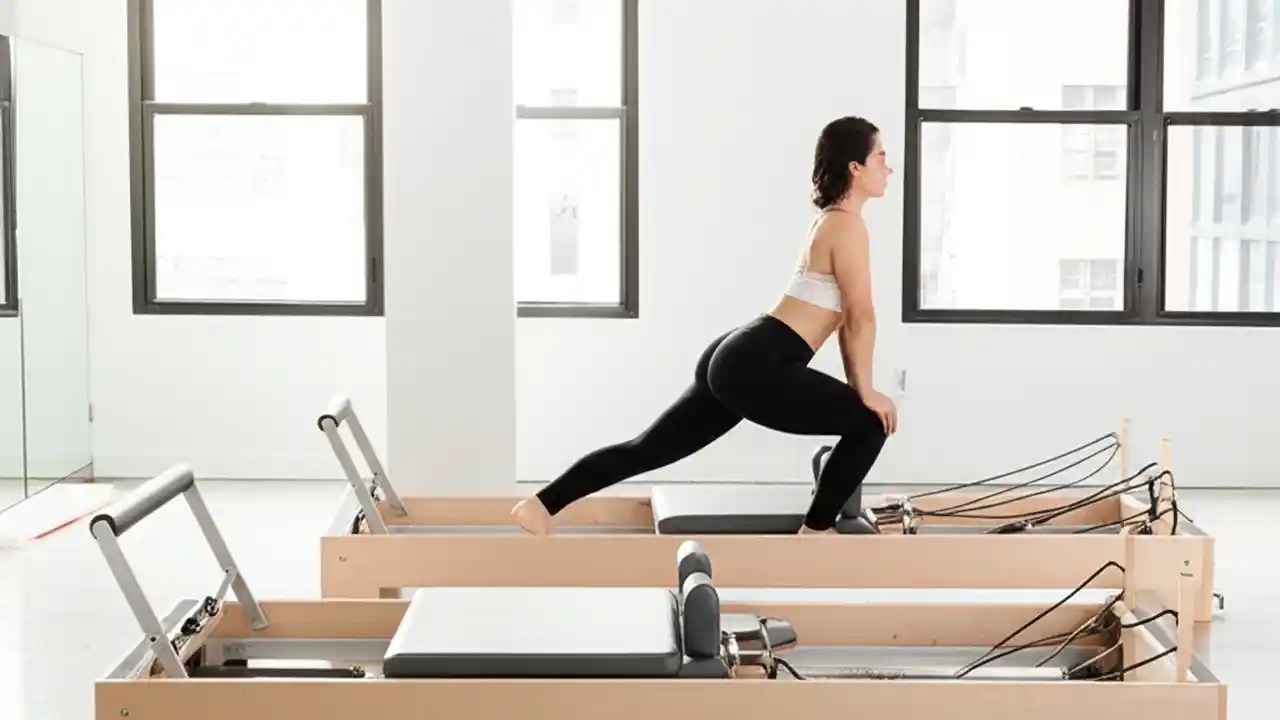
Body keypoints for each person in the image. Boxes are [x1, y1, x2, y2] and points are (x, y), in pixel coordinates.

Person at [512, 115, 898, 535]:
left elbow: (849, 324)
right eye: (880, 157)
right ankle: (815, 533)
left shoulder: (830, 220)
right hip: (758, 362)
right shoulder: (847, 226)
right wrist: (867, 393)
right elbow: (861, 317)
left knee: (648, 448)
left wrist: (862, 390)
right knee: (869, 424)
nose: (888, 168)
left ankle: (540, 506)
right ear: (854, 167)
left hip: (742, 353)